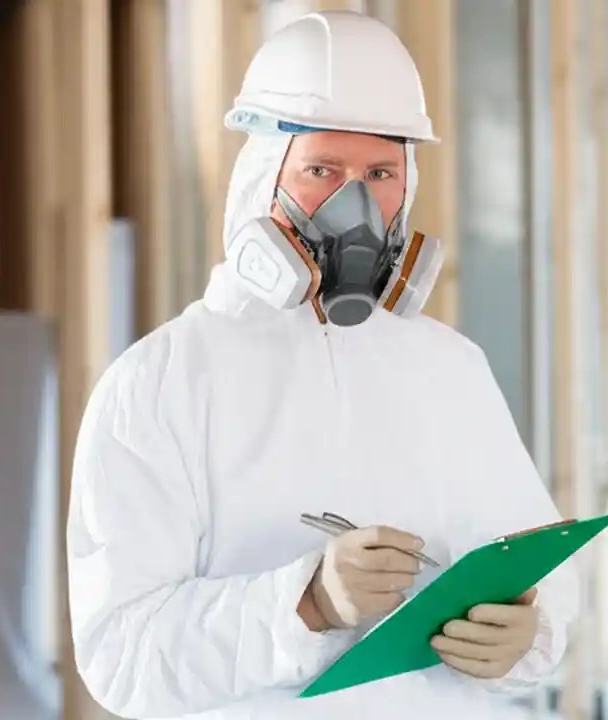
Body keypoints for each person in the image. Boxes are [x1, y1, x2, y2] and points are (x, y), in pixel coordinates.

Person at [66, 10, 578, 719]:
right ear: (261, 179)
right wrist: (307, 602)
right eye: (321, 171)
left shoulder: (449, 369)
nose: (356, 204)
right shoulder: (160, 385)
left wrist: (528, 635)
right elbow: (122, 657)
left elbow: (536, 576)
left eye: (379, 173)